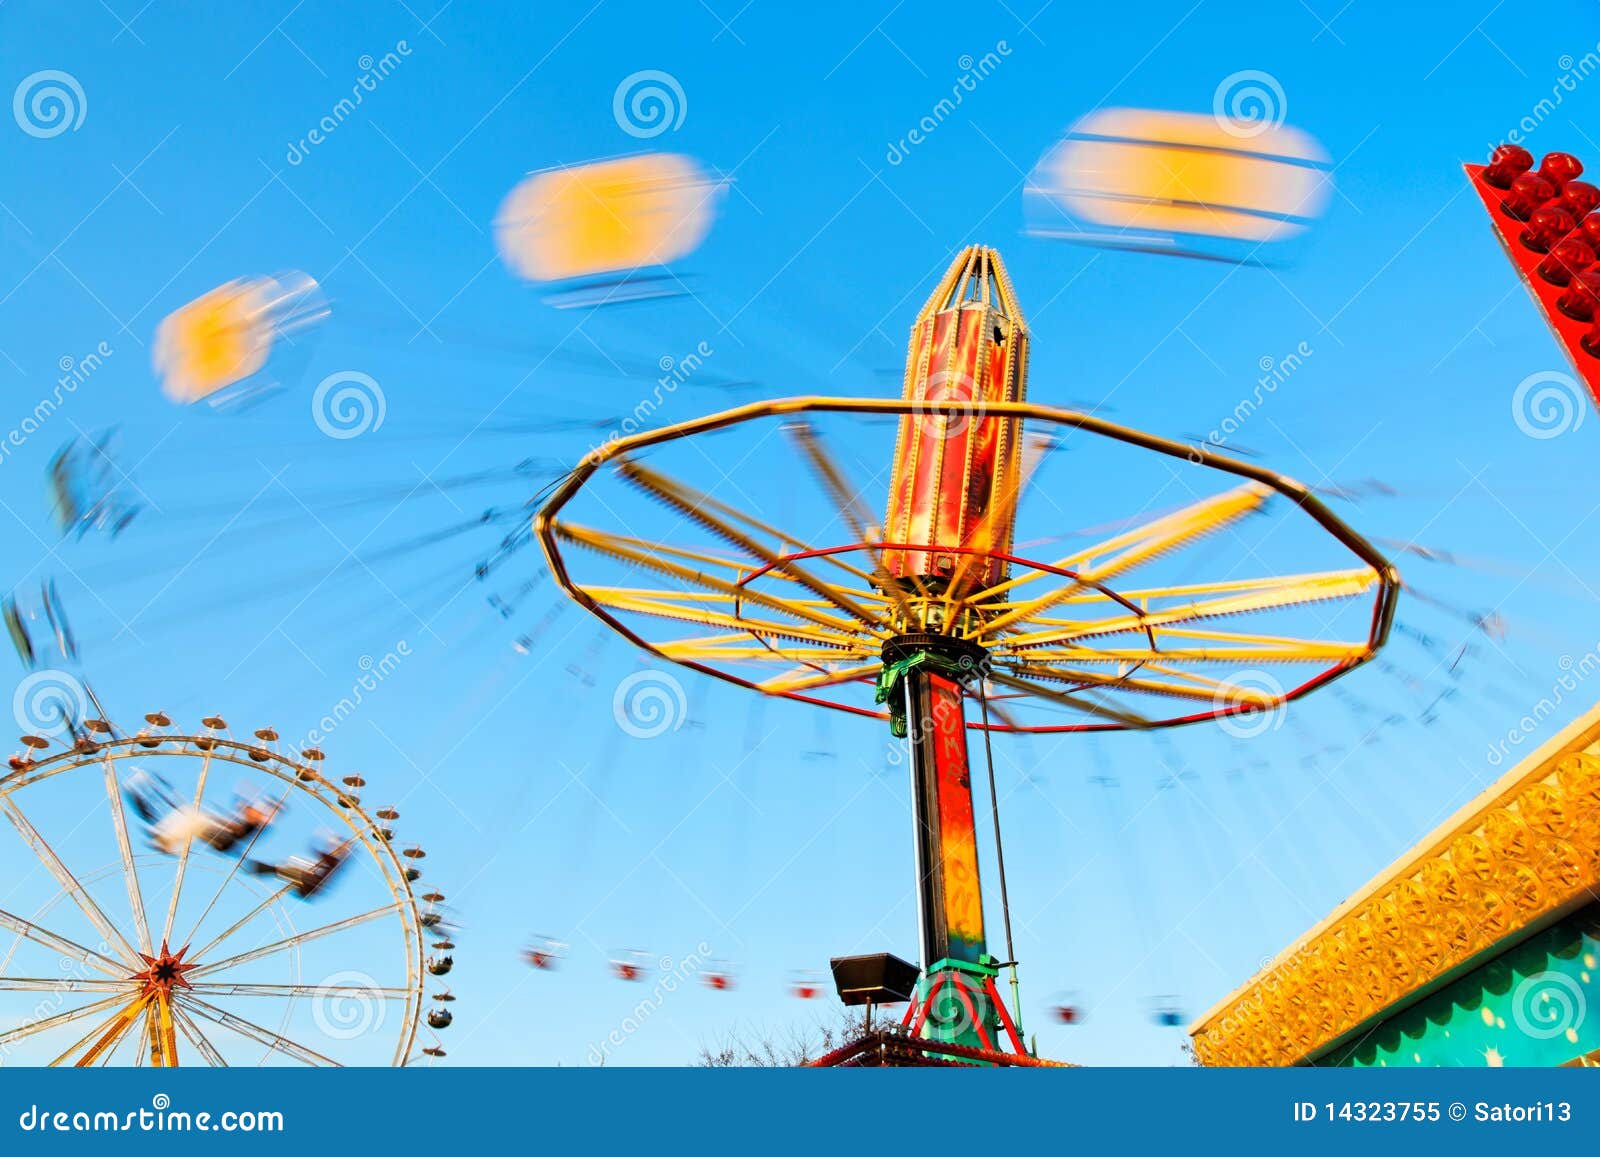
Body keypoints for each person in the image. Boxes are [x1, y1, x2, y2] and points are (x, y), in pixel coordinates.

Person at [248, 834, 350, 898]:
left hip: (311, 885)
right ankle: (261, 868)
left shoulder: (336, 861)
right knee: (288, 868)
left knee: (286, 869)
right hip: (311, 887)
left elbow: (320, 854)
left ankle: (257, 868)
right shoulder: (338, 862)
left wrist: (316, 842)